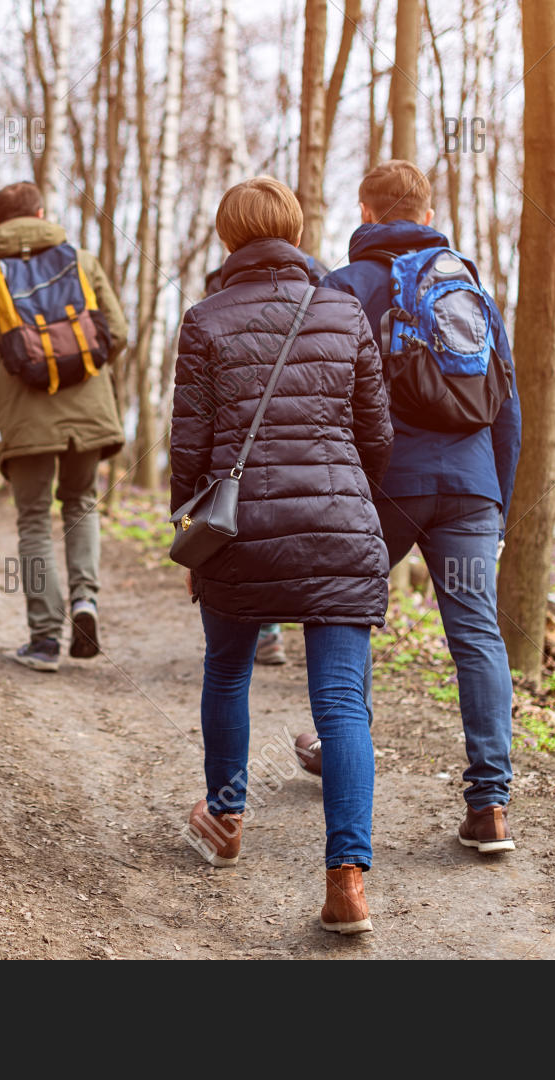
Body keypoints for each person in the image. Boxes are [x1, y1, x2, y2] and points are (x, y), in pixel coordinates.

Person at [171, 176, 393, 933]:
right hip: (339, 527)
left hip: (240, 533)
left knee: (228, 668)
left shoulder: (205, 319)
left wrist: (192, 535)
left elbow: (190, 446)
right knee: (341, 704)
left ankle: (225, 820)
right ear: (295, 234)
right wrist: (346, 495)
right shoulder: (342, 309)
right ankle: (347, 884)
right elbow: (376, 435)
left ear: (228, 238)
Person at [307, 159, 522, 855]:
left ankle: (342, 743)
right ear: (428, 215)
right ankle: (490, 804)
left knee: (346, 612)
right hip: (469, 491)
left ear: (366, 211)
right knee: (477, 635)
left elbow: (323, 401)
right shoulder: (467, 288)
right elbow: (507, 406)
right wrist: (497, 503)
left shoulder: (346, 286)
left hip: (385, 489)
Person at [0, 181, 128, 672]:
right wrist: (80, 366)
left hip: (24, 413)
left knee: (33, 518)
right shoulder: (81, 260)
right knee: (80, 503)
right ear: (40, 213)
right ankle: (85, 601)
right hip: (89, 407)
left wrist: (13, 375)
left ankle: (45, 638)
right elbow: (117, 333)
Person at [204, 254, 329, 670]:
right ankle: (280, 633)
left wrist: (186, 527)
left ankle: (267, 632)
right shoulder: (325, 289)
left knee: (250, 533)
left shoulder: (219, 293)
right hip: (315, 461)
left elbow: (198, 418)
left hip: (243, 459)